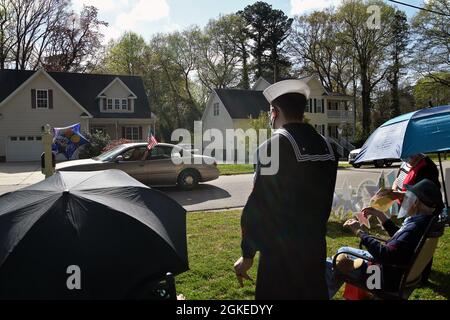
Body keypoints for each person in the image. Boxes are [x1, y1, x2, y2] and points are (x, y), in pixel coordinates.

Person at [233, 80, 338, 300]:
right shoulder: (328, 146)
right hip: (315, 251)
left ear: (275, 111)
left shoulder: (272, 146)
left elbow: (259, 206)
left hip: (280, 259)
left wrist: (247, 255)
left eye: (271, 112)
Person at [326, 179, 444, 299]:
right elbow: (402, 240)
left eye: (408, 198)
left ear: (416, 202)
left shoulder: (414, 228)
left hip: (381, 278)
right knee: (343, 249)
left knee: (333, 264)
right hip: (394, 273)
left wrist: (359, 232)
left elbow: (384, 254)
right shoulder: (424, 223)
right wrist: (381, 216)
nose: (404, 201)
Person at [377, 153, 441, 284]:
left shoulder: (427, 167)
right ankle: (409, 267)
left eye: (408, 155)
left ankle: (421, 275)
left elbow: (424, 195)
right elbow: (399, 180)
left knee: (421, 244)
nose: (405, 159)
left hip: (422, 211)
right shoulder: (406, 164)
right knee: (407, 241)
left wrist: (397, 194)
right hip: (408, 208)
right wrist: (391, 191)